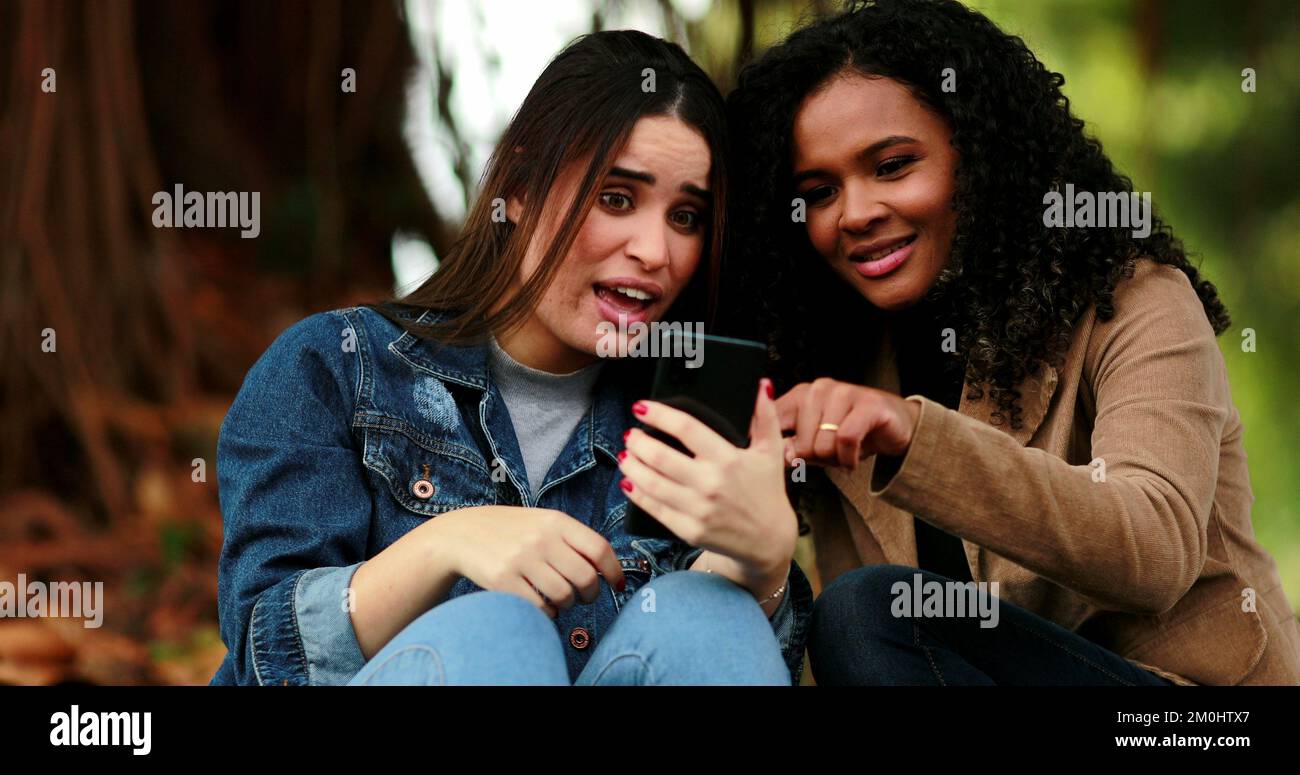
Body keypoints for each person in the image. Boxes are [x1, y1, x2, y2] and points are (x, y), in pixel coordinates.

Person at [212, 30, 811, 686]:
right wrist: (444, 543)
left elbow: (699, 660)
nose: (655, 251)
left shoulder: (682, 429)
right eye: (617, 198)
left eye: (687, 216)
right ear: (520, 187)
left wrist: (762, 563)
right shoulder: (334, 367)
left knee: (710, 616)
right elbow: (264, 657)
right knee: (500, 628)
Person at [725, 0, 1299, 685]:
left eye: (893, 165)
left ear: (980, 155)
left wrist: (915, 435)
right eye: (819, 191)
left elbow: (1155, 548)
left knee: (862, 610)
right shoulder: (836, 365)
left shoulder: (1137, 301)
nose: (855, 213)